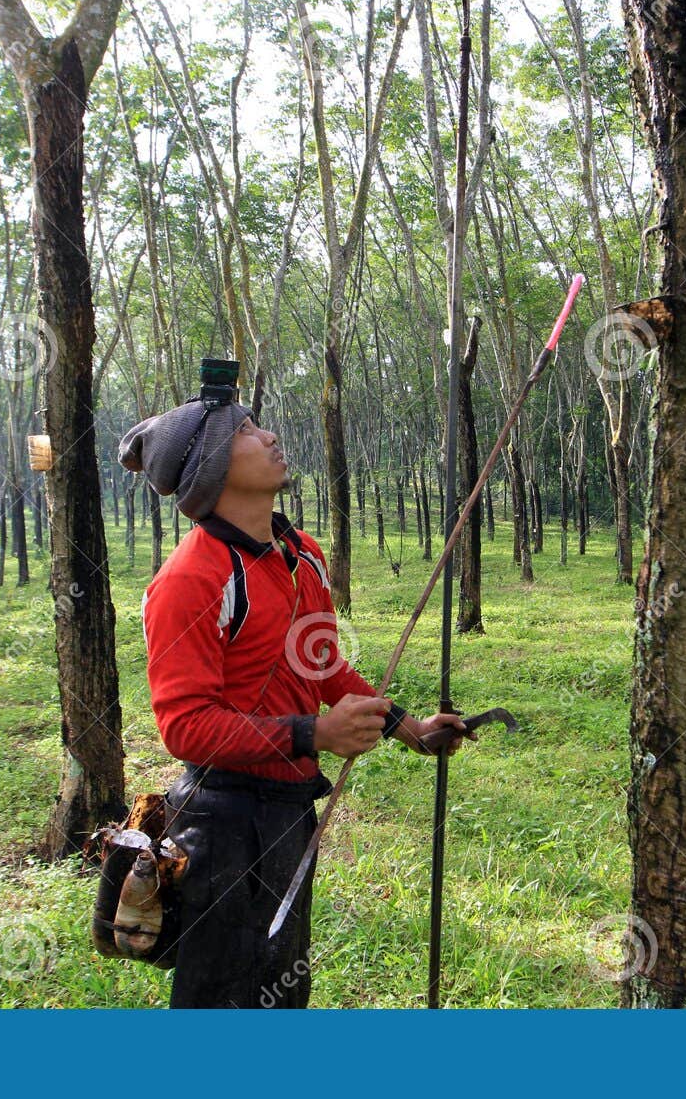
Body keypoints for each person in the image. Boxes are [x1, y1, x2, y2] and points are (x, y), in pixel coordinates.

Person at [118, 379, 467, 1008]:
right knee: (224, 996)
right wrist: (312, 733)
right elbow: (185, 727)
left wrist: (407, 727)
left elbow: (324, 664)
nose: (269, 435)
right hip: (222, 820)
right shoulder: (190, 580)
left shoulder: (300, 554)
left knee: (280, 986)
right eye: (247, 431)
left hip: (286, 814)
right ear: (213, 466)